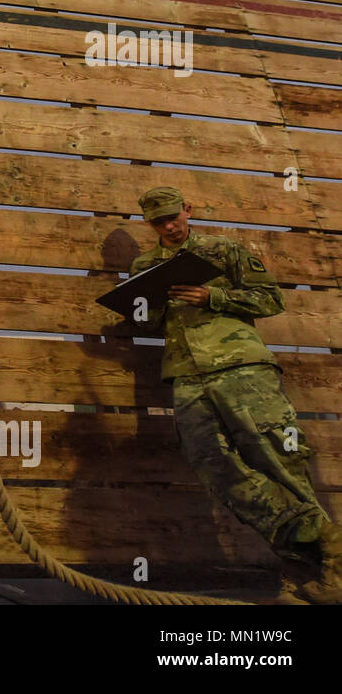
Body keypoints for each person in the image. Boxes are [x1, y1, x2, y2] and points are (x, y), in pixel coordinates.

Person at [128, 186, 341, 604]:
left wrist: (215, 296)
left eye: (174, 216)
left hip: (242, 367)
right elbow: (146, 322)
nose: (169, 226)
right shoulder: (144, 265)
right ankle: (325, 541)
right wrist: (141, 308)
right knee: (216, 468)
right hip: (186, 375)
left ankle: (308, 577)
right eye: (159, 221)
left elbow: (271, 299)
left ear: (188, 209)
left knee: (279, 462)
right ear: (148, 224)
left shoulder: (222, 251)